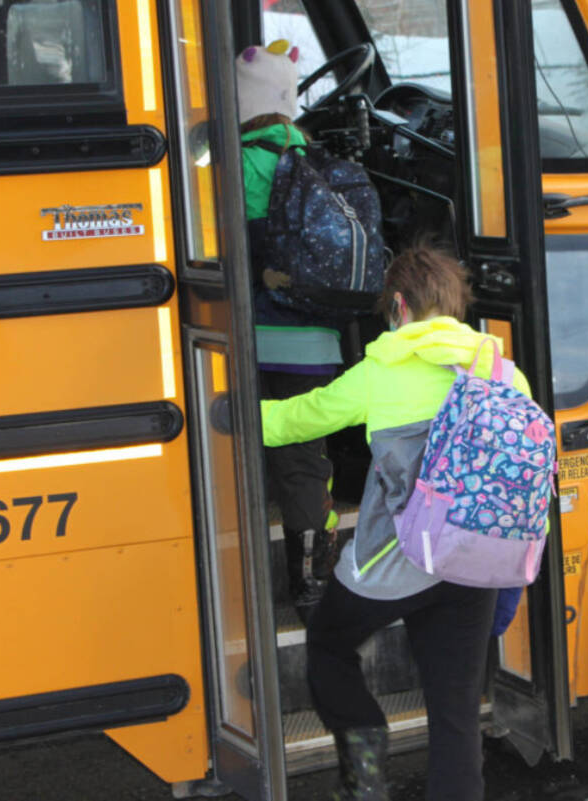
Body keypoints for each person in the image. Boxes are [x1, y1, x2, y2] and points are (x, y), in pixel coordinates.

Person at [261, 244, 530, 801]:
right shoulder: (505, 373)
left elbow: (292, 421)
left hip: (396, 561)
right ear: (455, 306)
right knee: (456, 713)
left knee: (329, 645)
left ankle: (365, 773)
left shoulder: (381, 372)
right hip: (474, 563)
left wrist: (218, 404)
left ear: (399, 305)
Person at [236, 39, 340, 618]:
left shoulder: (231, 162)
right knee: (303, 459)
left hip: (249, 340)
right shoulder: (320, 162)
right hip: (314, 343)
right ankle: (310, 585)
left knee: (238, 447)